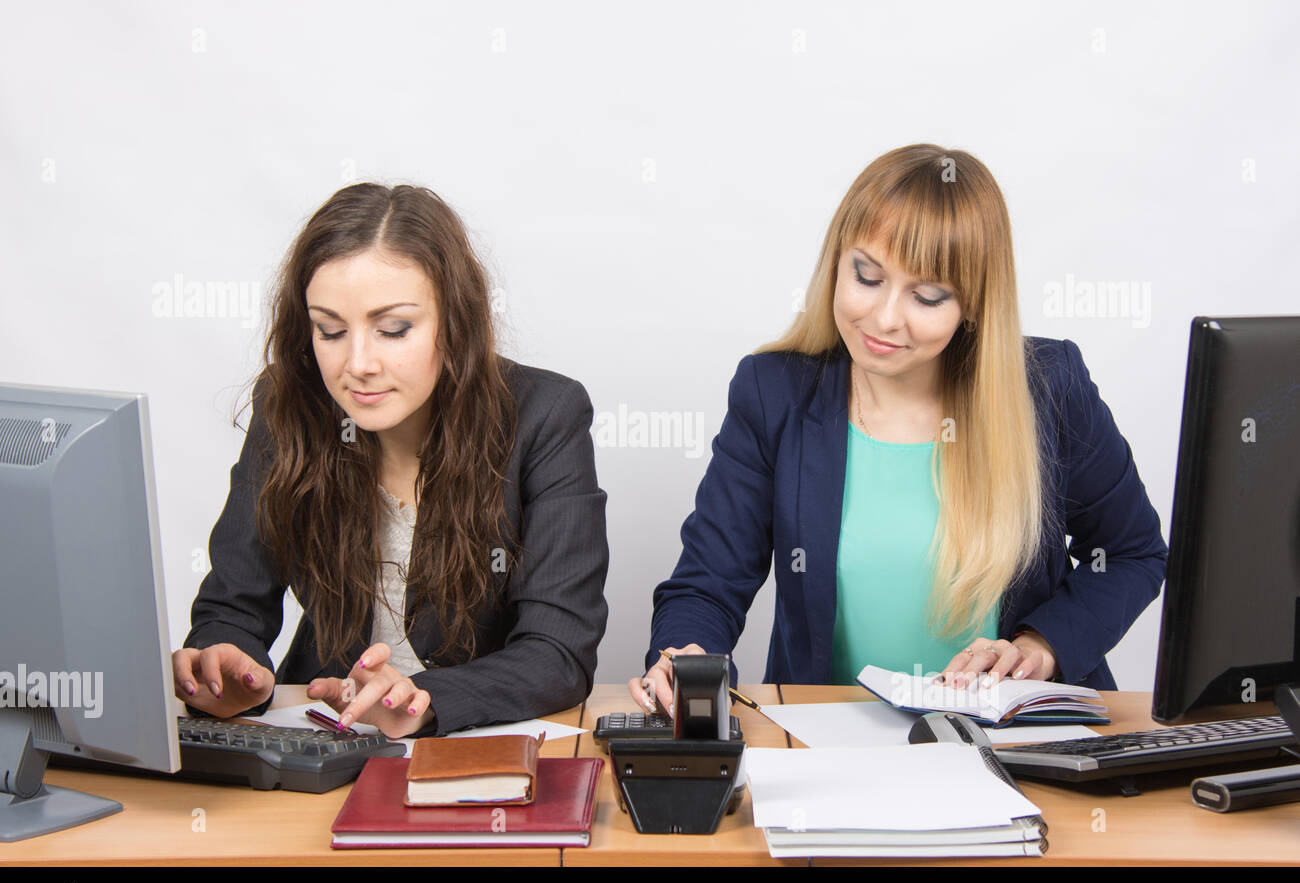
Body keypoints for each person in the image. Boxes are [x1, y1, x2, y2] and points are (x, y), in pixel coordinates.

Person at [630, 144, 1168, 715]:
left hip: (1020, 739)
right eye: (866, 276)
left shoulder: (1050, 388)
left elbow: (1131, 552)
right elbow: (709, 583)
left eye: (928, 296)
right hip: (833, 745)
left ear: (973, 304)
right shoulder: (774, 392)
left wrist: (1042, 645)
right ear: (836, 263)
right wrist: (685, 652)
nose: (885, 319)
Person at [173, 183, 609, 737]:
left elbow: (558, 652)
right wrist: (223, 665)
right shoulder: (289, 406)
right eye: (329, 330)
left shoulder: (544, 415)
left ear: (454, 323)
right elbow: (232, 605)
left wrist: (423, 700)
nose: (358, 363)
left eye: (393, 329)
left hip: (475, 744)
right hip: (325, 737)